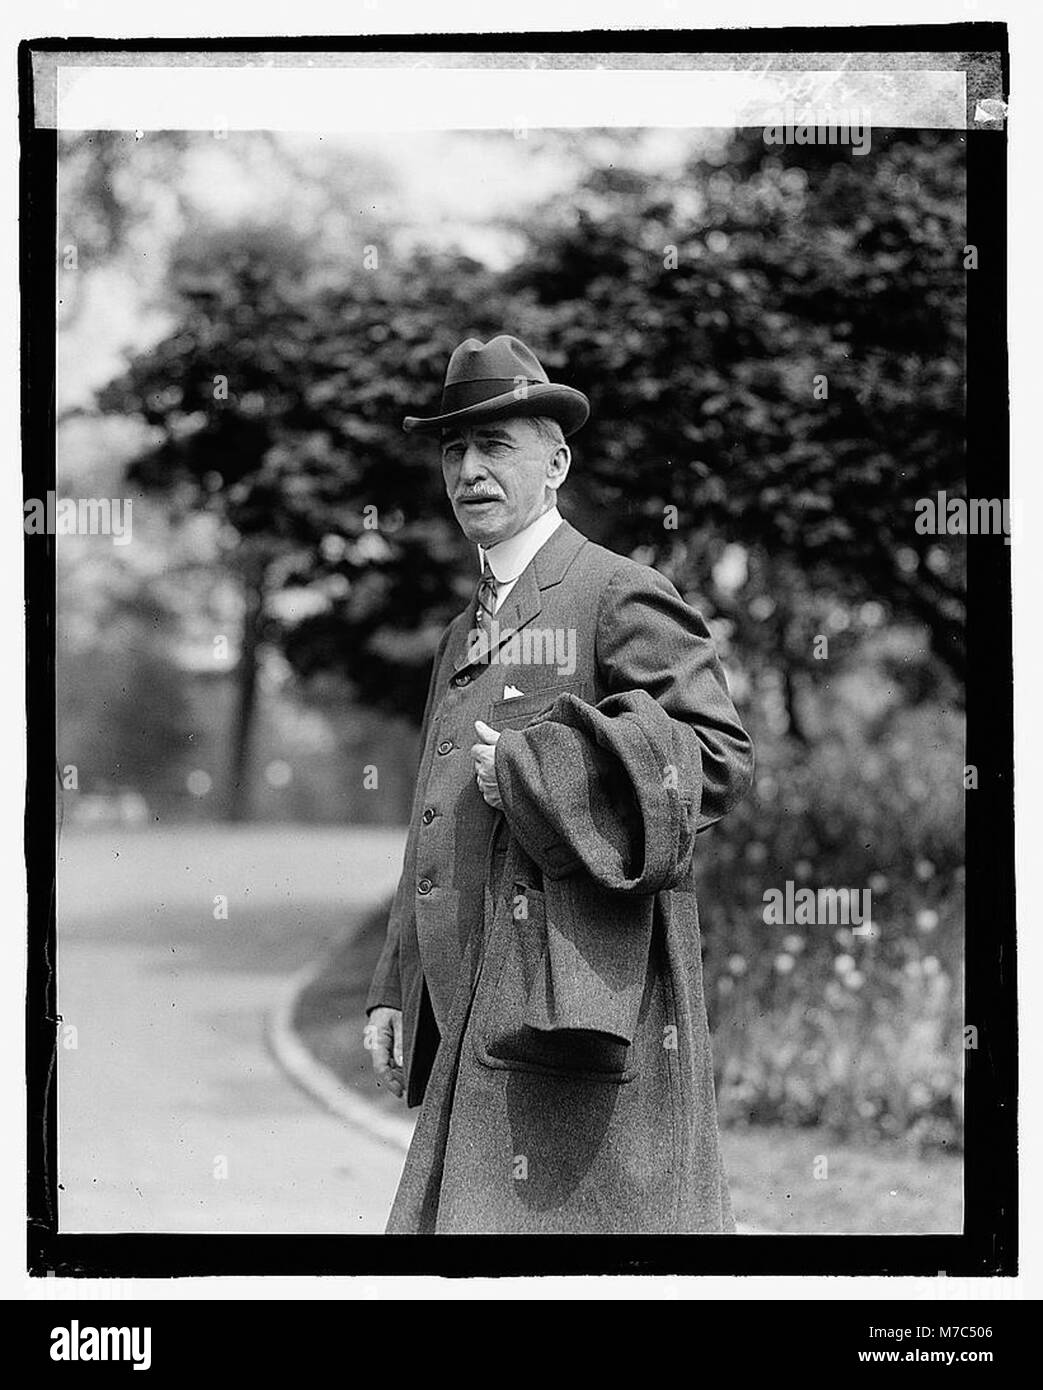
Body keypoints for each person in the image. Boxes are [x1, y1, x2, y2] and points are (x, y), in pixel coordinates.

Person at [364, 334, 754, 1234]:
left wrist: (546, 773)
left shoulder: (617, 592)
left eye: (495, 445)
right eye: (454, 450)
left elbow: (718, 760)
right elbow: (431, 816)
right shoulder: (460, 630)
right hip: (470, 1009)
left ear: (556, 462)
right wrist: (396, 981)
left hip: (578, 1000)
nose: (469, 469)